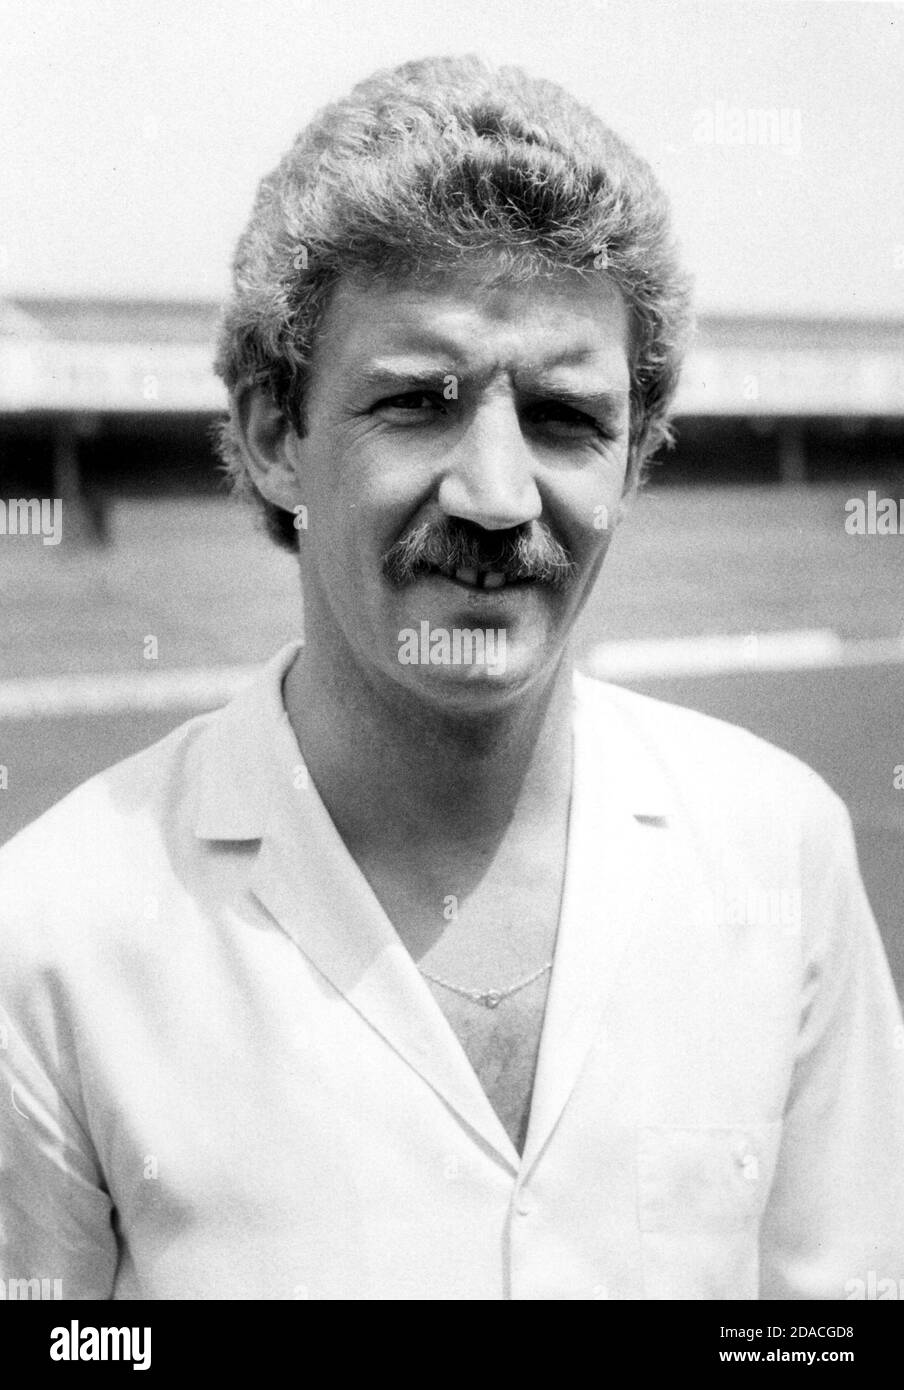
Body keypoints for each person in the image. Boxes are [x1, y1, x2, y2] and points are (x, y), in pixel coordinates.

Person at [1, 54, 902, 1302]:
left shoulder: (779, 850)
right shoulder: (49, 931)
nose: (496, 496)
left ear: (635, 459)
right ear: (275, 437)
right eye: (418, 402)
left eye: (565, 416)